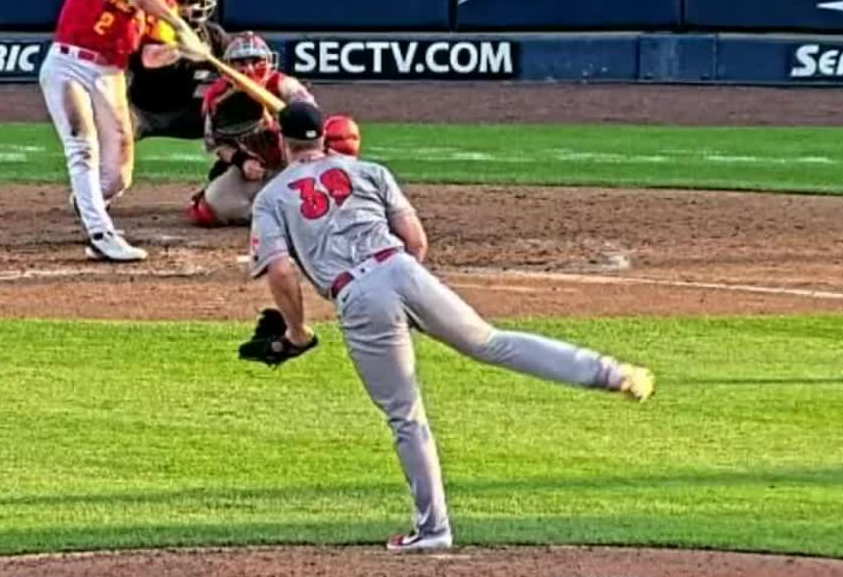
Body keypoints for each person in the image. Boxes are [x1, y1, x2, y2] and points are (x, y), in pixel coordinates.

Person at [246, 101, 655, 552]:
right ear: (324, 136)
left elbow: (282, 272)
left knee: (405, 415)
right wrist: (407, 298)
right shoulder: (371, 171)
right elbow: (416, 240)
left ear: (282, 141)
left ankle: (434, 529)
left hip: (359, 296)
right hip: (403, 269)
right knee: (492, 342)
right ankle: (608, 372)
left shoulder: (272, 197)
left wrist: (298, 330)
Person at [40, 0, 212, 263]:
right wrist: (180, 26)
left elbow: (150, 57)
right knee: (82, 146)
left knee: (118, 174)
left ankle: (88, 204)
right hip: (69, 63)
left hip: (110, 74)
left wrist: (184, 49)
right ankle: (101, 232)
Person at [188, 32, 316, 228]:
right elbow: (218, 145)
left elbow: (313, 123)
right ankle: (270, 212)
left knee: (343, 133)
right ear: (229, 66)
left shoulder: (285, 85)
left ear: (268, 61)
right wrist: (242, 161)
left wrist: (279, 120)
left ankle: (283, 208)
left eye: (256, 60)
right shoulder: (216, 97)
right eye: (241, 62)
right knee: (208, 211)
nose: (248, 68)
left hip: (292, 165)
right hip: (255, 169)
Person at [128, 0, 228, 143]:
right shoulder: (148, 30)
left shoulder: (213, 35)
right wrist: (183, 49)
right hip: (145, 112)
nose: (185, 9)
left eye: (191, 2)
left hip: (191, 113)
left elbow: (231, 69)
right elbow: (146, 61)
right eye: (180, 1)